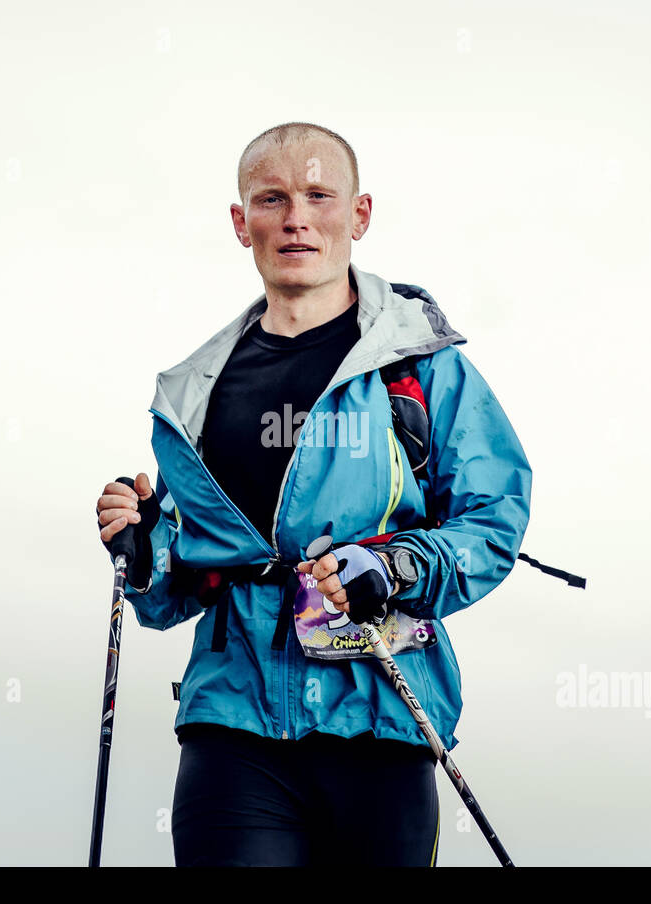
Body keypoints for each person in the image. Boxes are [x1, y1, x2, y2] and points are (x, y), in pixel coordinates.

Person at [96, 121, 532, 866]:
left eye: (319, 194)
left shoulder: (422, 369)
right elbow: (176, 590)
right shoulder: (195, 392)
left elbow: (493, 522)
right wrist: (143, 547)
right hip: (233, 730)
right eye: (272, 197)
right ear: (242, 224)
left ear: (358, 215)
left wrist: (395, 568)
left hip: (382, 719)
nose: (296, 216)